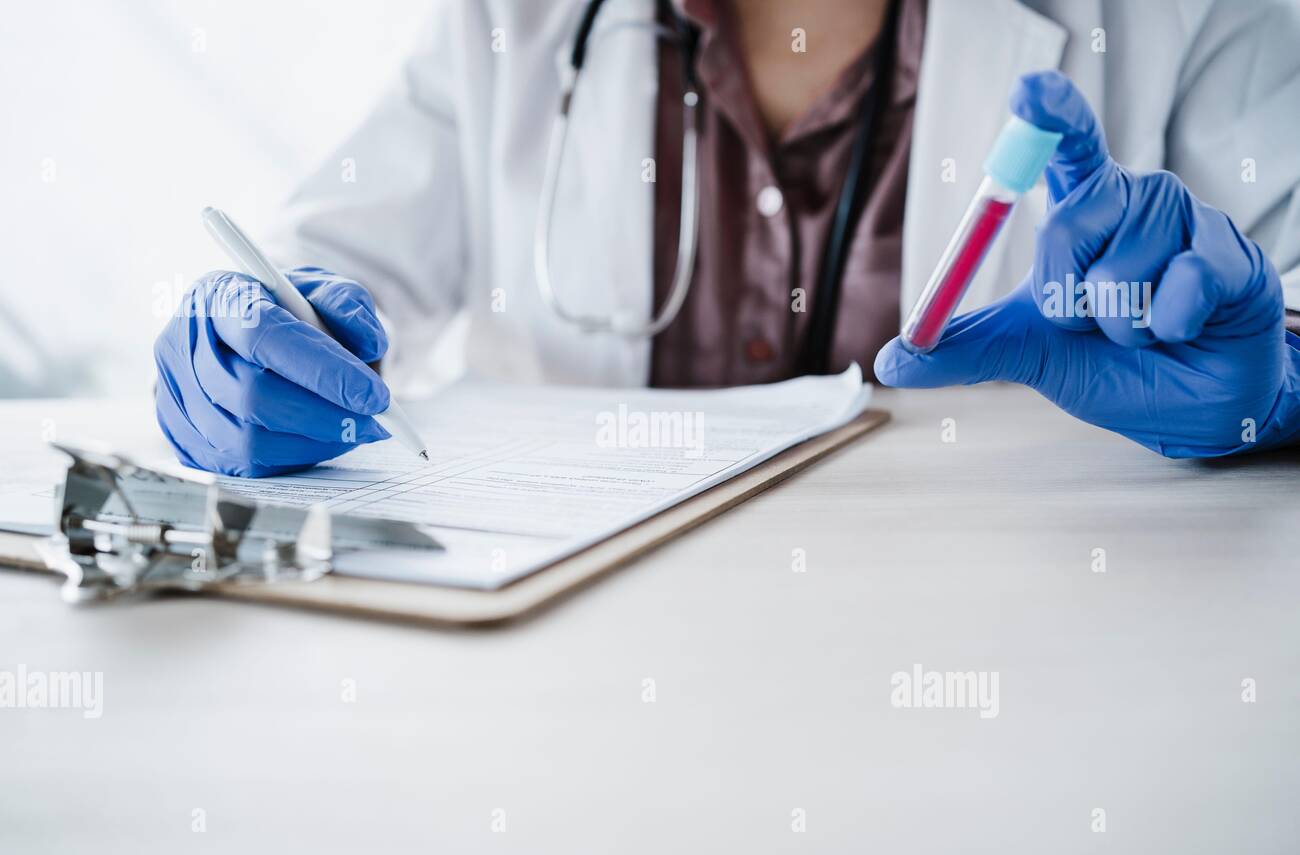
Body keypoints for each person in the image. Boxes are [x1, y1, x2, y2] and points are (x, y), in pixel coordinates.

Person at [154, 0, 1300, 477]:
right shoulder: (517, 18)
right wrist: (252, 349)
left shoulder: (1187, 15)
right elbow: (335, 263)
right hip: (571, 683)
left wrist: (1276, 372)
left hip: (1029, 670)